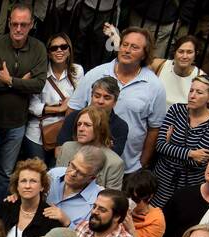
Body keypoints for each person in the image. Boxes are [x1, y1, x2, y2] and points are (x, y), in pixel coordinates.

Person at [66, 27, 165, 174]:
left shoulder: (154, 85)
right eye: (125, 45)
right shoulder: (96, 73)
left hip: (127, 167)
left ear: (145, 54)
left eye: (134, 47)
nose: (127, 50)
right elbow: (73, 110)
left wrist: (142, 163)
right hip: (83, 165)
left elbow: (154, 129)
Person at [0, 4, 48, 207]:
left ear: (31, 25)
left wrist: (10, 80)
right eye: (15, 24)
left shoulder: (38, 48)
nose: (18, 29)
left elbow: (38, 84)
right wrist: (21, 83)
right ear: (9, 23)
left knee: (6, 174)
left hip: (17, 124)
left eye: (23, 25)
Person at [151, 75, 209, 208]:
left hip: (188, 183)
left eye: (199, 92)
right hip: (162, 178)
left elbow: (198, 162)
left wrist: (170, 149)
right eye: (191, 90)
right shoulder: (176, 110)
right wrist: (190, 153)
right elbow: (160, 146)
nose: (192, 95)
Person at [27, 32, 84, 162]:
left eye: (63, 47)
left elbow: (80, 100)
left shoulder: (77, 71)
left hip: (66, 130)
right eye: (54, 48)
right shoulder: (40, 72)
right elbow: (31, 105)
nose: (59, 50)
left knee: (57, 173)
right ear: (48, 53)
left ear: (69, 50)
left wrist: (67, 107)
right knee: (39, 172)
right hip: (37, 132)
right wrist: (58, 109)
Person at [43, 146, 102, 226]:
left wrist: (67, 222)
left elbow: (91, 236)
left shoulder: (97, 202)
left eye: (81, 173)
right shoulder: (53, 174)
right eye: (72, 166)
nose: (72, 173)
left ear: (92, 178)